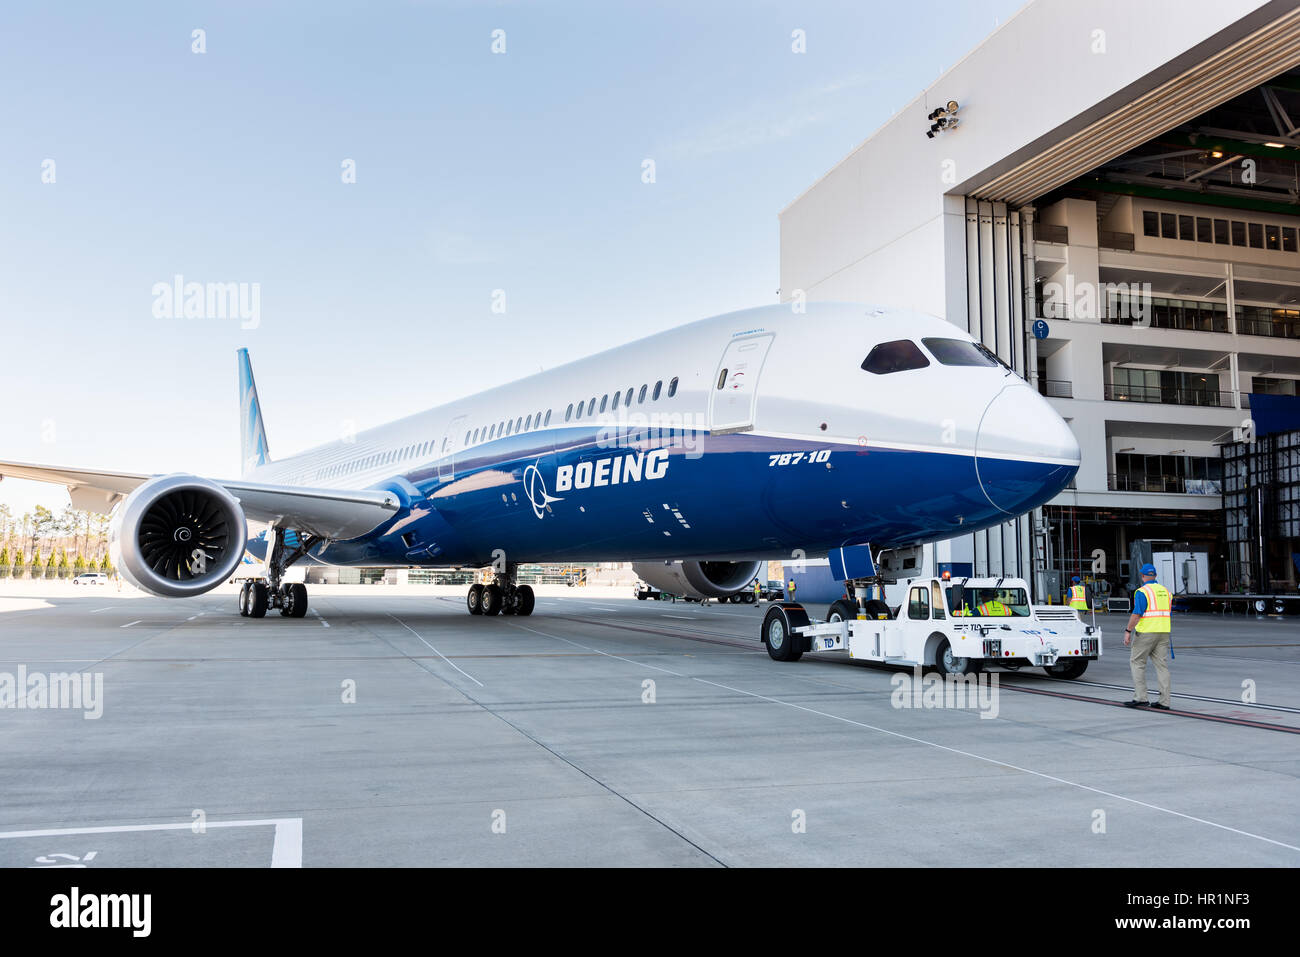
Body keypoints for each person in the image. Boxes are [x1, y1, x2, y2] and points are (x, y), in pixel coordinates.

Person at [1123, 564, 1172, 710]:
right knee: (1162, 666)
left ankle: (1141, 698)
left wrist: (1128, 630)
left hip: (1146, 632)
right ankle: (1164, 701)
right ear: (1155, 576)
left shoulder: (1142, 591)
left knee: (1137, 662)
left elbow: (1137, 614)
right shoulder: (1166, 591)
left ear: (1143, 576)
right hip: (1163, 632)